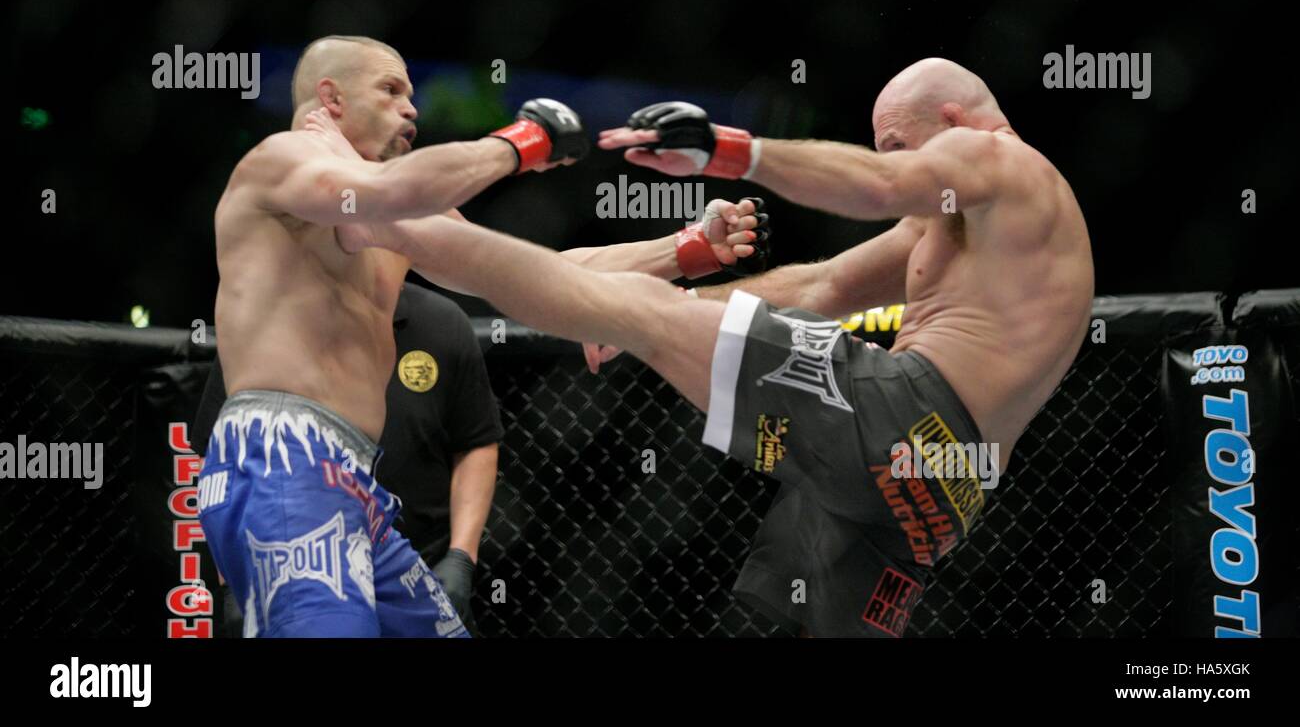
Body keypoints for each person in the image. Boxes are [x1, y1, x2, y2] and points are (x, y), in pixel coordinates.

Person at [335, 57, 1095, 637]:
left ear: (955, 120)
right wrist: (671, 308)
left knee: (637, 307)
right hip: (936, 492)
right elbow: (824, 287)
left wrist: (730, 151)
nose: (899, 160)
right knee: (772, 623)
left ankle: (445, 243)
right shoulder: (975, 222)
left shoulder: (996, 162)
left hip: (899, 414)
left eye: (900, 143)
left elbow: (875, 184)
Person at [198, 34, 765, 637]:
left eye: (411, 94)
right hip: (281, 454)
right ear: (330, 98)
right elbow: (400, 189)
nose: (411, 108)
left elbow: (525, 270)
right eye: (391, 90)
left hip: (354, 481)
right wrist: (516, 145)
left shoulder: (390, 208)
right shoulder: (282, 161)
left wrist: (681, 250)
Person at [192, 283, 503, 636]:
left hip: (415, 559)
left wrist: (461, 557)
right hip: (298, 567)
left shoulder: (442, 322)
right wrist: (232, 580)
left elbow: (476, 441)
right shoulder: (269, 324)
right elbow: (218, 458)